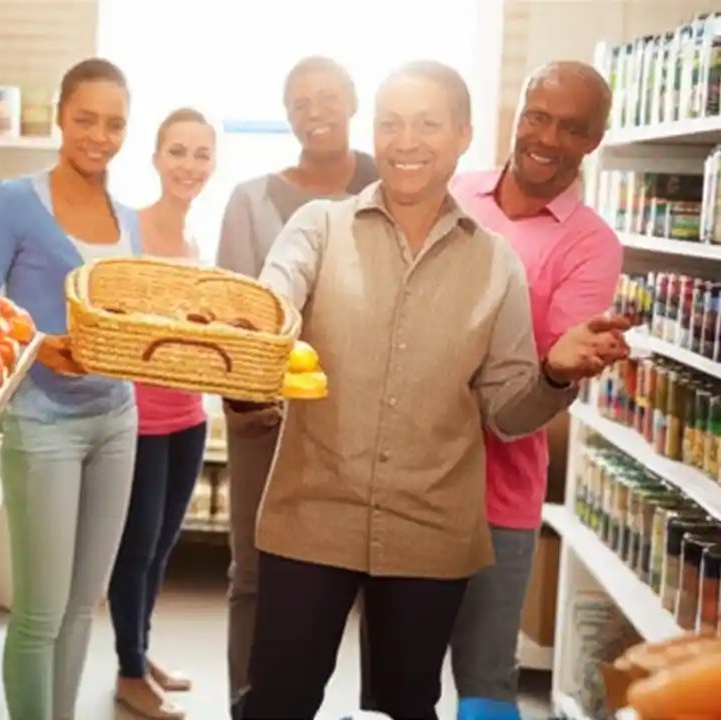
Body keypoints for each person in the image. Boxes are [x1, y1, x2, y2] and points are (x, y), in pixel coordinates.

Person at [235, 60, 631, 720]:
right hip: (311, 516)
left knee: (405, 705)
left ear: (463, 136)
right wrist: (250, 338)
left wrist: (554, 372)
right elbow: (273, 305)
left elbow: (507, 412)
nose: (407, 141)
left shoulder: (494, 262)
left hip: (430, 530)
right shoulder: (318, 228)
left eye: (428, 124)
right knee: (278, 700)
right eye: (391, 124)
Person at [445, 61, 622, 720]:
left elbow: (534, 377)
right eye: (537, 115)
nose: (547, 137)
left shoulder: (592, 245)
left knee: (486, 679)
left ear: (594, 141)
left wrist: (556, 362)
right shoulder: (454, 190)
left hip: (500, 490)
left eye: (571, 127)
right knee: (396, 674)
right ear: (517, 113)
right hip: (412, 481)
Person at [0, 57, 140, 720]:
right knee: (40, 611)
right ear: (60, 116)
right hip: (43, 422)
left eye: (115, 124)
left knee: (82, 604)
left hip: (116, 419)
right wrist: (41, 344)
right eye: (85, 119)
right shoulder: (15, 201)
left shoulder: (126, 216)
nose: (99, 135)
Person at [215, 55, 378, 702]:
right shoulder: (251, 200)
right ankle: (245, 704)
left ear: (354, 101)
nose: (315, 112)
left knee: (377, 578)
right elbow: (232, 314)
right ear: (286, 117)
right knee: (255, 572)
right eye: (300, 103)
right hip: (269, 419)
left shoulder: (392, 181)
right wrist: (242, 397)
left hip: (367, 418)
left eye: (328, 96)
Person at [107, 107, 216, 720]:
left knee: (163, 546)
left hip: (188, 415)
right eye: (178, 151)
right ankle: (127, 673)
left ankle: (140, 652)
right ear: (155, 158)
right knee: (136, 547)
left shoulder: (196, 240)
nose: (189, 165)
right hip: (141, 416)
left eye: (201, 154)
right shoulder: (133, 230)